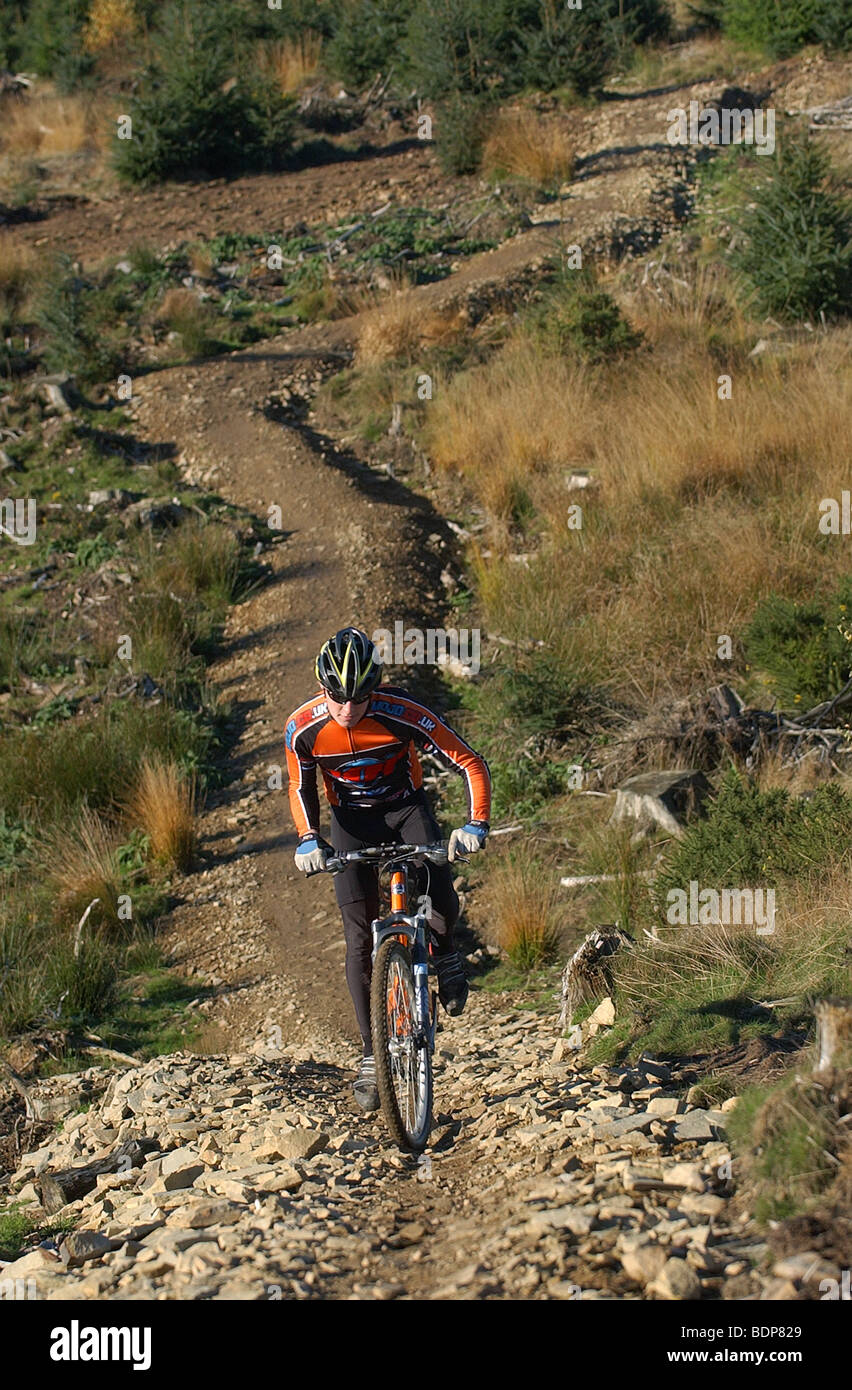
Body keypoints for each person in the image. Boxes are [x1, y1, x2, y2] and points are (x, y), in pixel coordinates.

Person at [284, 626, 491, 1111]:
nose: (347, 710)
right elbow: (299, 787)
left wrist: (475, 824)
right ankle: (370, 1056)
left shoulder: (402, 712)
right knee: (358, 934)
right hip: (350, 821)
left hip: (404, 808)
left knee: (438, 882)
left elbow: (469, 761)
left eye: (358, 699)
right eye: (338, 699)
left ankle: (445, 953)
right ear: (323, 689)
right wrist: (308, 839)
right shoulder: (304, 726)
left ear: (374, 688)